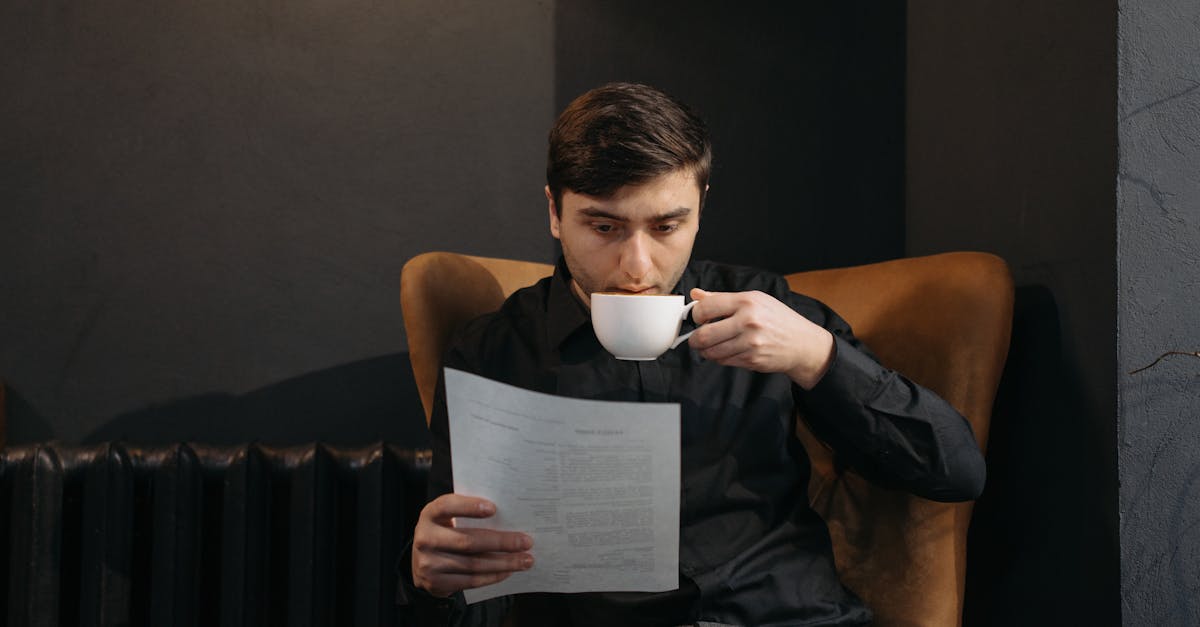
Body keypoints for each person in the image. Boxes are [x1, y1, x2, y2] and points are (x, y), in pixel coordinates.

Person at [398, 82, 986, 626]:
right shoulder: (493, 355)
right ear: (555, 212)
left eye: (666, 227)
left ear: (700, 206)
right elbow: (467, 594)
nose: (637, 268)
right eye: (603, 228)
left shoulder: (769, 310)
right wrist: (430, 582)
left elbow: (955, 471)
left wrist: (817, 356)